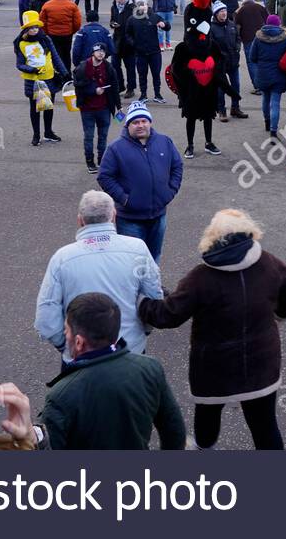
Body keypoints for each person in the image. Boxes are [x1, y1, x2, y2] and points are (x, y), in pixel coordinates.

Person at [138, 209, 286, 450]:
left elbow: (168, 315)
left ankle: (204, 449)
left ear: (212, 238)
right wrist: (280, 313)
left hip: (214, 366)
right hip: (261, 363)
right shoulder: (268, 263)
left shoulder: (201, 278)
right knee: (265, 425)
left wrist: (143, 303)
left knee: (208, 414)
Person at [42, 293, 186, 449]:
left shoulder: (60, 396)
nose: (65, 334)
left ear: (79, 342)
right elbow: (174, 430)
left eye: (67, 329)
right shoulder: (150, 368)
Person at [35, 191, 162, 363]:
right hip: (130, 350)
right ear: (114, 216)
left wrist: (66, 346)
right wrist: (144, 330)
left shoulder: (62, 258)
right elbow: (154, 297)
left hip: (81, 355)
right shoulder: (138, 249)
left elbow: (46, 315)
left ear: (80, 220)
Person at [98, 101, 183, 263]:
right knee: (132, 260)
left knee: (154, 255)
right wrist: (125, 199)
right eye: (135, 122)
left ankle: (153, 287)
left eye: (144, 121)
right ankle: (133, 289)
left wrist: (170, 191)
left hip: (159, 215)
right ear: (128, 125)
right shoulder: (116, 148)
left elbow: (177, 166)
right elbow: (104, 176)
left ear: (150, 122)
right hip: (130, 219)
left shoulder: (165, 142)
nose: (140, 125)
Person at [172, 0, 237, 157]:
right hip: (191, 90)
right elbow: (176, 69)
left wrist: (222, 81)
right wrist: (185, 81)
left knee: (209, 116)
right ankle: (190, 144)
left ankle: (208, 142)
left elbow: (220, 64)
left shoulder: (211, 46)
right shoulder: (183, 48)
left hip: (208, 88)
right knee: (191, 117)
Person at [13, 11, 68, 146]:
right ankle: (36, 135)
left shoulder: (45, 39)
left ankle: (48, 132)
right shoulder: (20, 43)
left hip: (49, 78)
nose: (34, 30)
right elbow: (19, 64)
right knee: (35, 109)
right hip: (33, 81)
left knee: (49, 107)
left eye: (36, 27)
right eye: (31, 28)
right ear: (26, 28)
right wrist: (31, 69)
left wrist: (65, 73)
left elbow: (55, 56)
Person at [72, 42, 121, 173]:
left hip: (104, 108)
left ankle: (102, 161)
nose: (101, 53)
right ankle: (90, 162)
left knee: (103, 136)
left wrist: (118, 106)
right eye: (98, 51)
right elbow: (78, 86)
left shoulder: (109, 68)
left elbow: (115, 88)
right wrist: (94, 90)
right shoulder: (83, 67)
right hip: (87, 109)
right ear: (93, 53)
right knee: (89, 136)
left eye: (103, 52)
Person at [247, 13, 286, 138]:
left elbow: (252, 57)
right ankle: (273, 130)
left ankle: (267, 122)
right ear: (279, 24)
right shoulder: (284, 40)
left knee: (265, 99)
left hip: (262, 74)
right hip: (278, 74)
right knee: (275, 103)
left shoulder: (258, 38)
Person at [210, 1, 248, 121]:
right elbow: (209, 45)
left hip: (233, 61)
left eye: (225, 10)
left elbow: (238, 38)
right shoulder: (212, 28)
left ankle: (235, 108)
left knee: (236, 86)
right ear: (216, 14)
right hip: (219, 64)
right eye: (221, 11)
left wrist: (237, 48)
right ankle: (221, 111)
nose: (224, 13)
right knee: (221, 89)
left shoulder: (232, 24)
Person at [125, 0, 168, 103]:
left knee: (156, 74)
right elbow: (127, 34)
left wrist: (164, 24)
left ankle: (157, 94)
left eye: (143, 4)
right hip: (140, 53)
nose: (141, 6)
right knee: (142, 74)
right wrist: (134, 44)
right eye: (139, 5)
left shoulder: (154, 17)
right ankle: (143, 95)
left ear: (147, 5)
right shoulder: (132, 19)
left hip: (154, 52)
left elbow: (167, 26)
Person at [39, 0, 83, 70]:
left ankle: (57, 72)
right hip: (67, 34)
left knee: (55, 54)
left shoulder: (47, 5)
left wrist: (47, 32)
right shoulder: (72, 5)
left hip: (53, 34)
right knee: (66, 54)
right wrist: (72, 31)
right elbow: (77, 22)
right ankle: (67, 73)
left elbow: (42, 21)